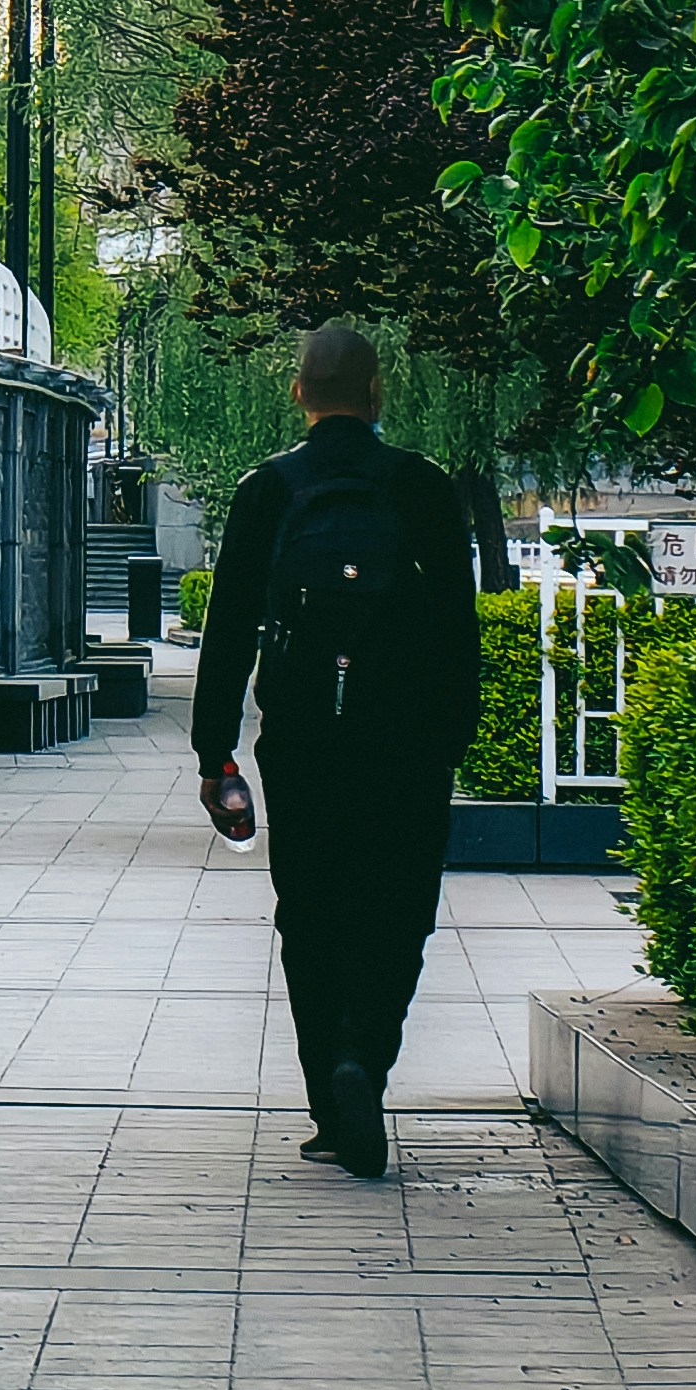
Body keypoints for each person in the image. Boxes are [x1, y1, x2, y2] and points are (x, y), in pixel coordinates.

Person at [189, 319, 481, 1179]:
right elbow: (458, 631)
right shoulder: (422, 488)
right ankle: (366, 1065)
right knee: (397, 913)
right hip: (407, 743)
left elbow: (229, 631)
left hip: (305, 738)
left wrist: (218, 757)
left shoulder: (269, 490)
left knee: (310, 914)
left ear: (299, 394)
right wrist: (450, 740)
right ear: (378, 393)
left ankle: (330, 1099)